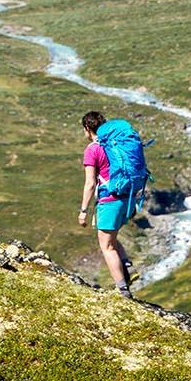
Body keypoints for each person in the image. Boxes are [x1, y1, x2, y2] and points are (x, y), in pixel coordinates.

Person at [77, 110, 138, 298]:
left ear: (87, 128)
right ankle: (126, 264)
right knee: (111, 237)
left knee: (107, 247)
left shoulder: (93, 149)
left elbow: (90, 184)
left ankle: (123, 291)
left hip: (109, 200)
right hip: (126, 199)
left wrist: (83, 211)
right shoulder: (116, 144)